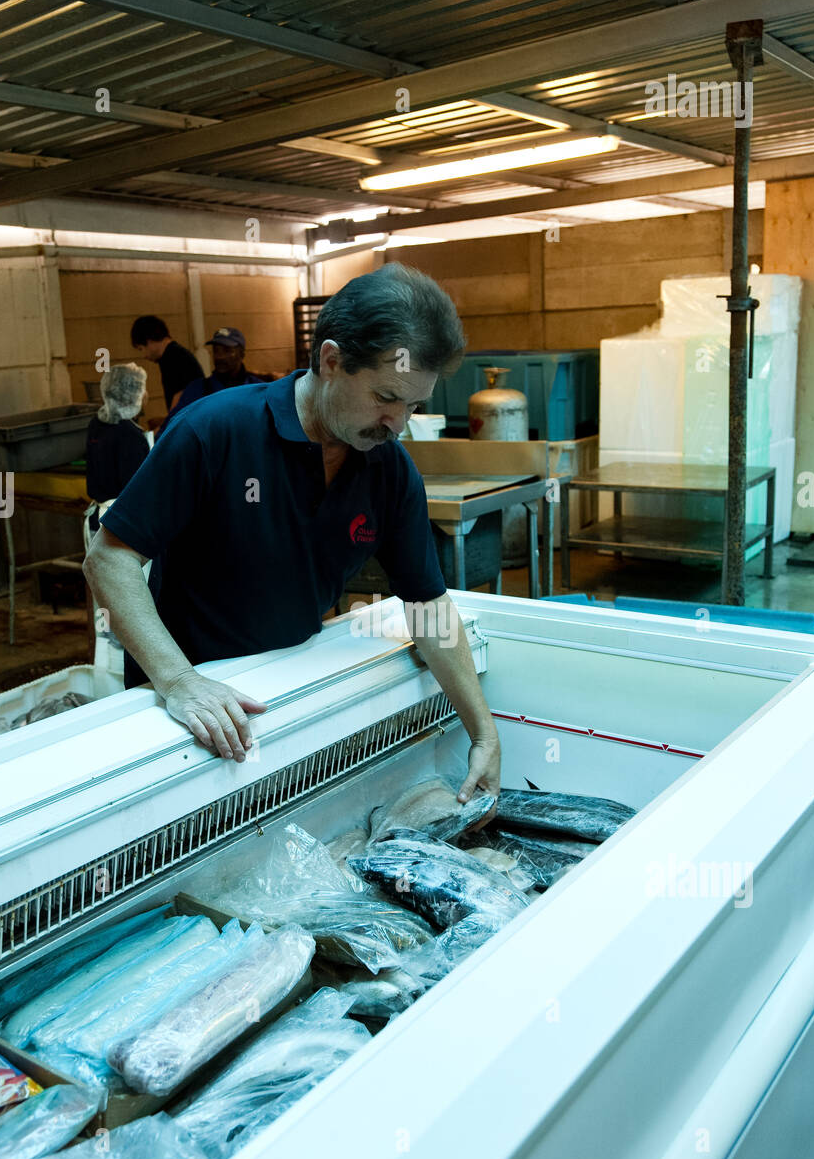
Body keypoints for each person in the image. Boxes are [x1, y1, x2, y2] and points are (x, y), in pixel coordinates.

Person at [85, 264, 501, 806]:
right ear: (330, 361)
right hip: (186, 707)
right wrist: (178, 682)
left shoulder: (389, 470)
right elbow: (109, 559)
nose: (398, 424)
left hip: (284, 689)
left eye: (414, 406)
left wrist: (482, 730)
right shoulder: (214, 431)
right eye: (386, 396)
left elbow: (427, 606)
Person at [156, 327, 267, 436]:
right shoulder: (197, 390)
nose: (220, 357)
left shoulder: (259, 391)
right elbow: (171, 428)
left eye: (227, 351)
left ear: (242, 354)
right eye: (216, 351)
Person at [84, 363, 151, 535]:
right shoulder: (130, 436)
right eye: (142, 389)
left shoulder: (96, 424)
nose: (145, 394)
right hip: (122, 525)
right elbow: (136, 490)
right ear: (132, 396)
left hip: (98, 522)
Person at [130, 315, 203, 417]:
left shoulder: (173, 357)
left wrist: (165, 425)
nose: (144, 356)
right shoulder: (173, 354)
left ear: (150, 341)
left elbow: (179, 400)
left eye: (141, 349)